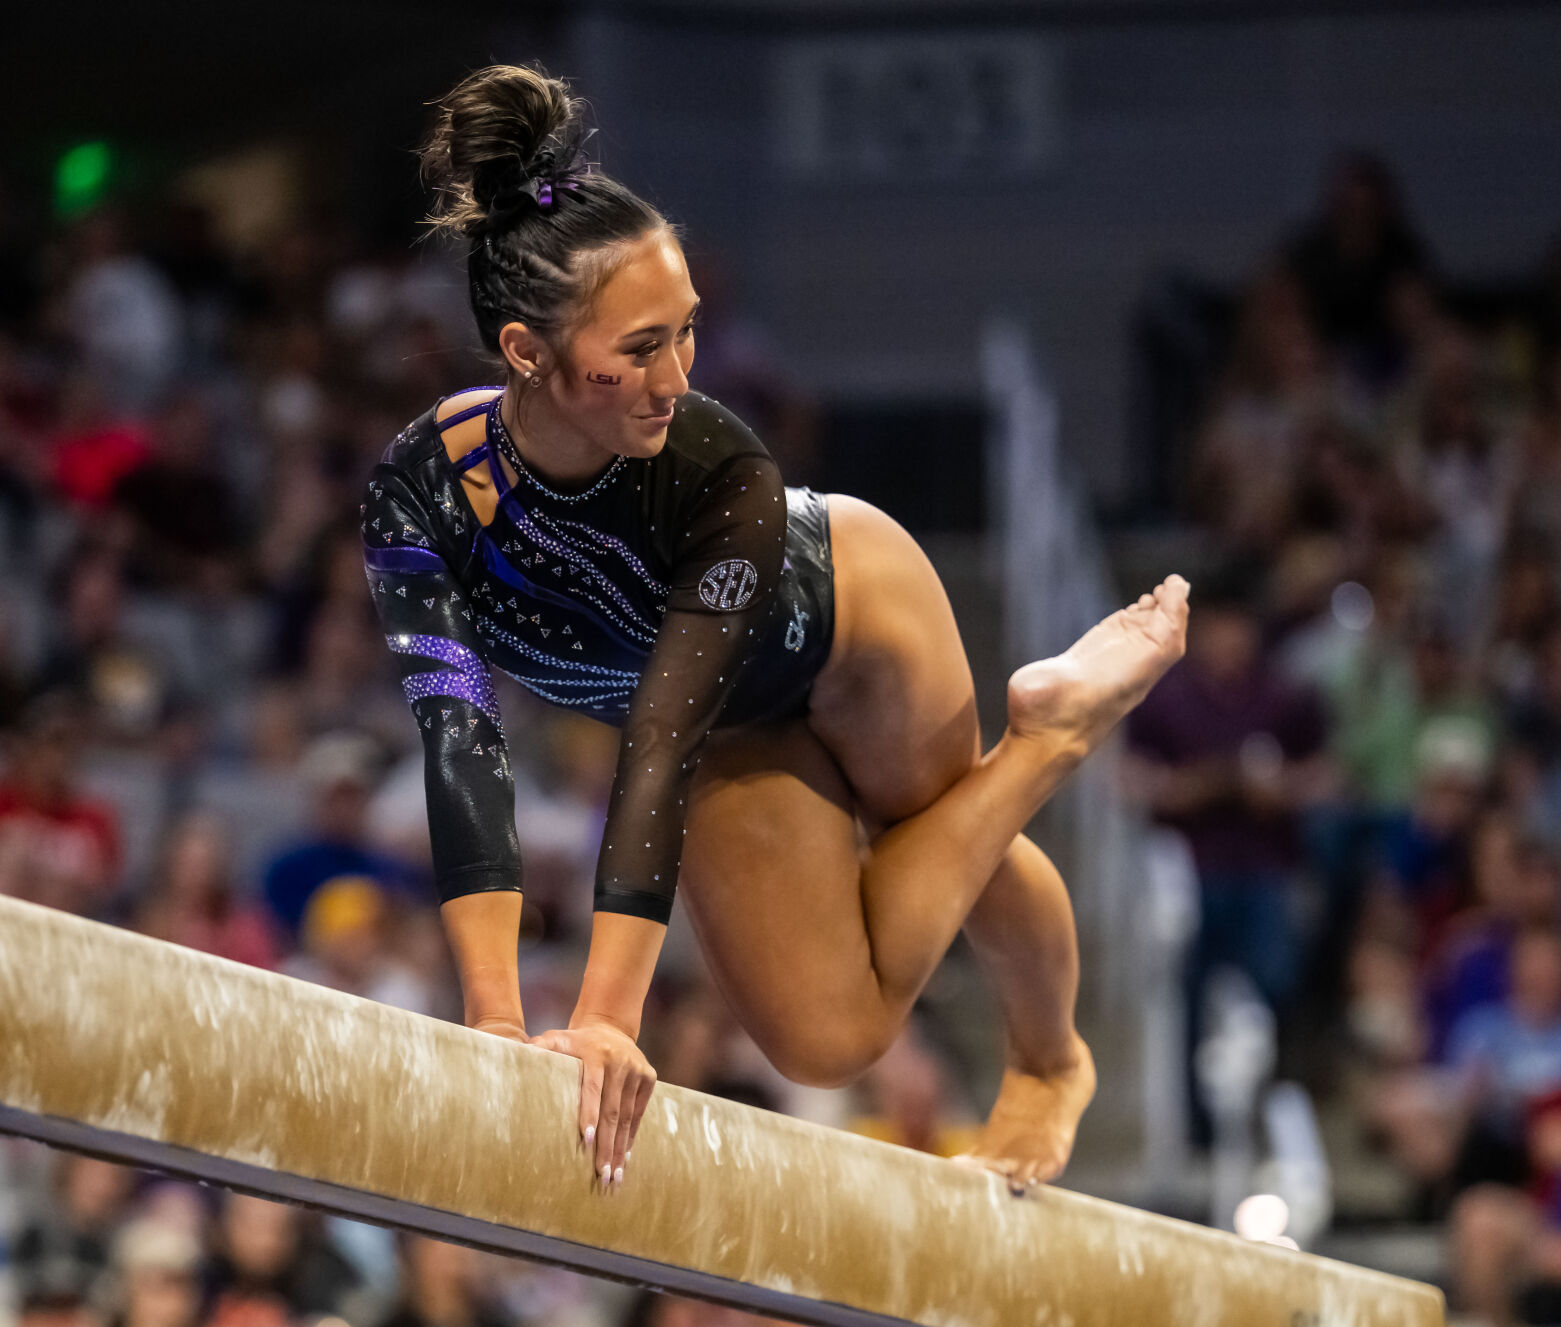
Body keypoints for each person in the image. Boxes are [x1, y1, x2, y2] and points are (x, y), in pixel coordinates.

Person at [364, 63, 1189, 1197]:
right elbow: (461, 742)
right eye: (640, 348)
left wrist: (604, 1020)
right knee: (826, 1039)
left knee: (939, 827)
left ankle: (1050, 1034)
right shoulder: (420, 496)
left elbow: (659, 739)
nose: (678, 377)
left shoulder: (712, 465)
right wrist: (496, 1022)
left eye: (687, 333)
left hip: (849, 619)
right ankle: (1039, 743)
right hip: (729, 726)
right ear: (523, 353)